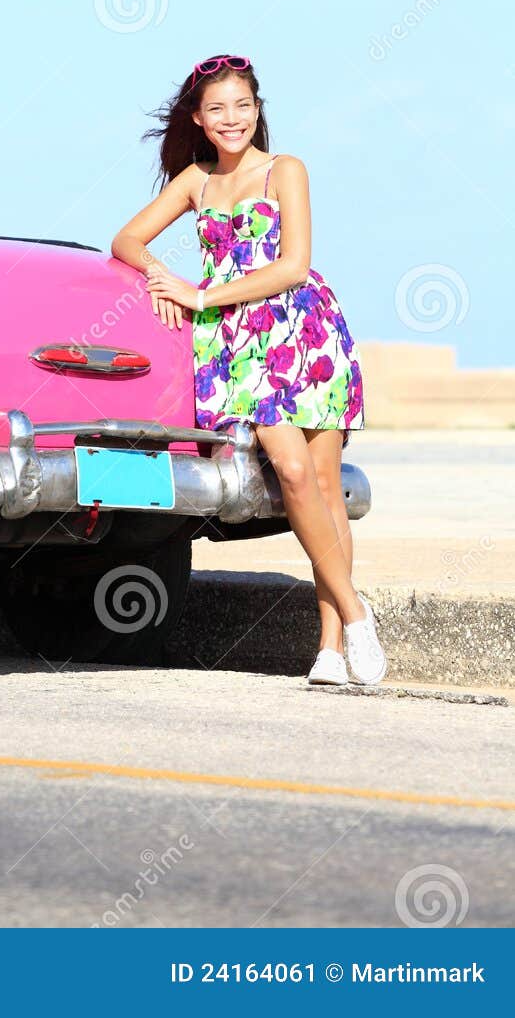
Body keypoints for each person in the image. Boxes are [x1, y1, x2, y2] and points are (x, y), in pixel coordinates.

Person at [111, 53, 385, 687]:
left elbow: (293, 265)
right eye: (217, 109)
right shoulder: (196, 181)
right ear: (198, 120)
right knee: (291, 472)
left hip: (304, 332)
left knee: (324, 485)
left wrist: (202, 295)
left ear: (258, 110)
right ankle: (356, 610)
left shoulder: (285, 169)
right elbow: (126, 240)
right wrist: (161, 278)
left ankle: (330, 648)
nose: (231, 119)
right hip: (238, 344)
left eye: (242, 105)